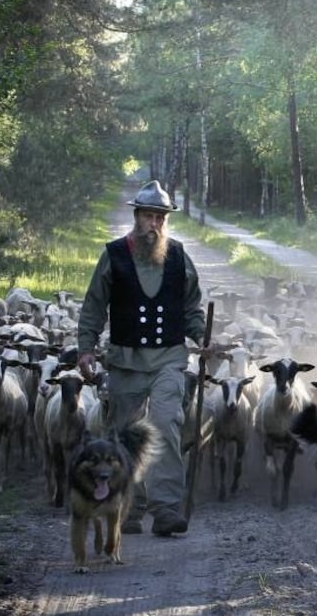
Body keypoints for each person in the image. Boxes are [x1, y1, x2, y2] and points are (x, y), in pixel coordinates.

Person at [77, 180, 207, 537]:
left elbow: (191, 304)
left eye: (160, 218)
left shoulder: (179, 256)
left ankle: (165, 509)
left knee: (165, 424)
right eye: (149, 216)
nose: (155, 224)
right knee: (124, 434)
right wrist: (86, 348)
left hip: (168, 358)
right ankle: (128, 506)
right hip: (125, 360)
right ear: (136, 217)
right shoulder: (114, 255)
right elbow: (93, 305)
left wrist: (201, 336)